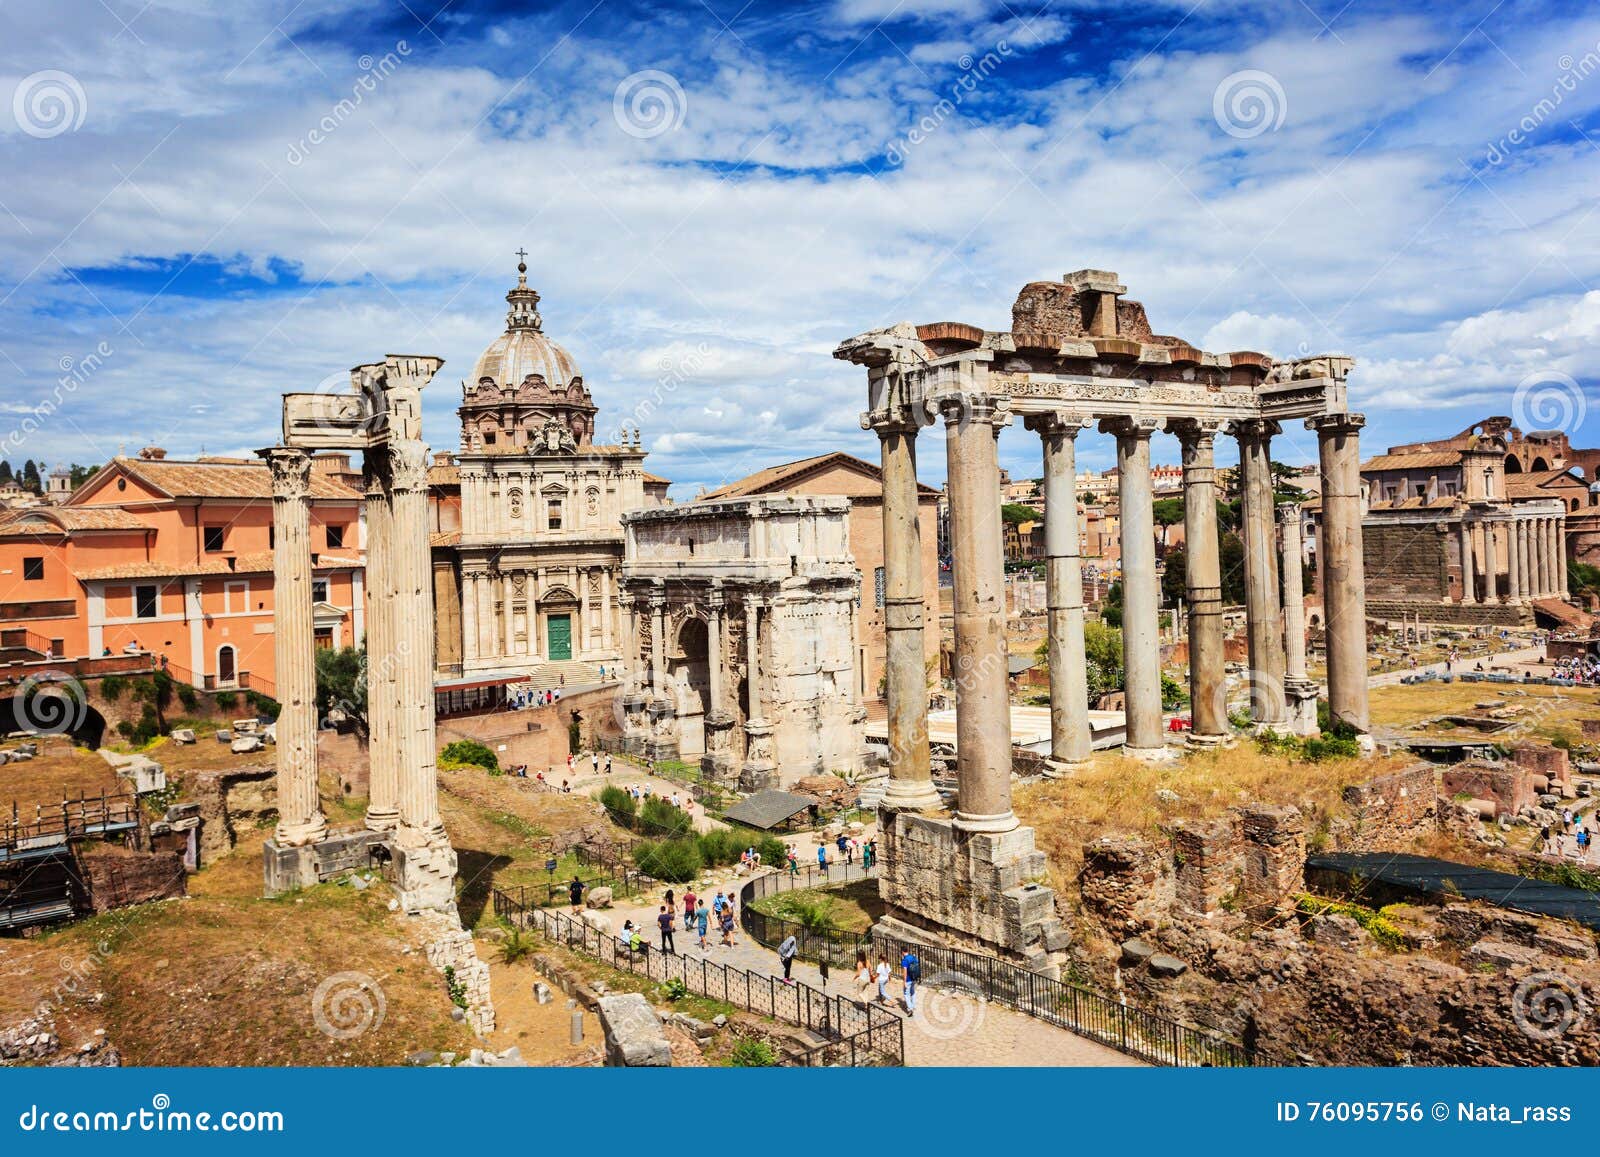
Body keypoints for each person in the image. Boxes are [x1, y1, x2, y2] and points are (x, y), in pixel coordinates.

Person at [901, 947, 921, 1013]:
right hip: (914, 978)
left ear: (902, 952)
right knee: (912, 992)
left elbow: (905, 971)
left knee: (906, 993)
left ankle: (910, 1008)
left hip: (908, 979)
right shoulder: (913, 957)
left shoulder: (905, 960)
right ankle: (914, 1006)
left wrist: (904, 981)